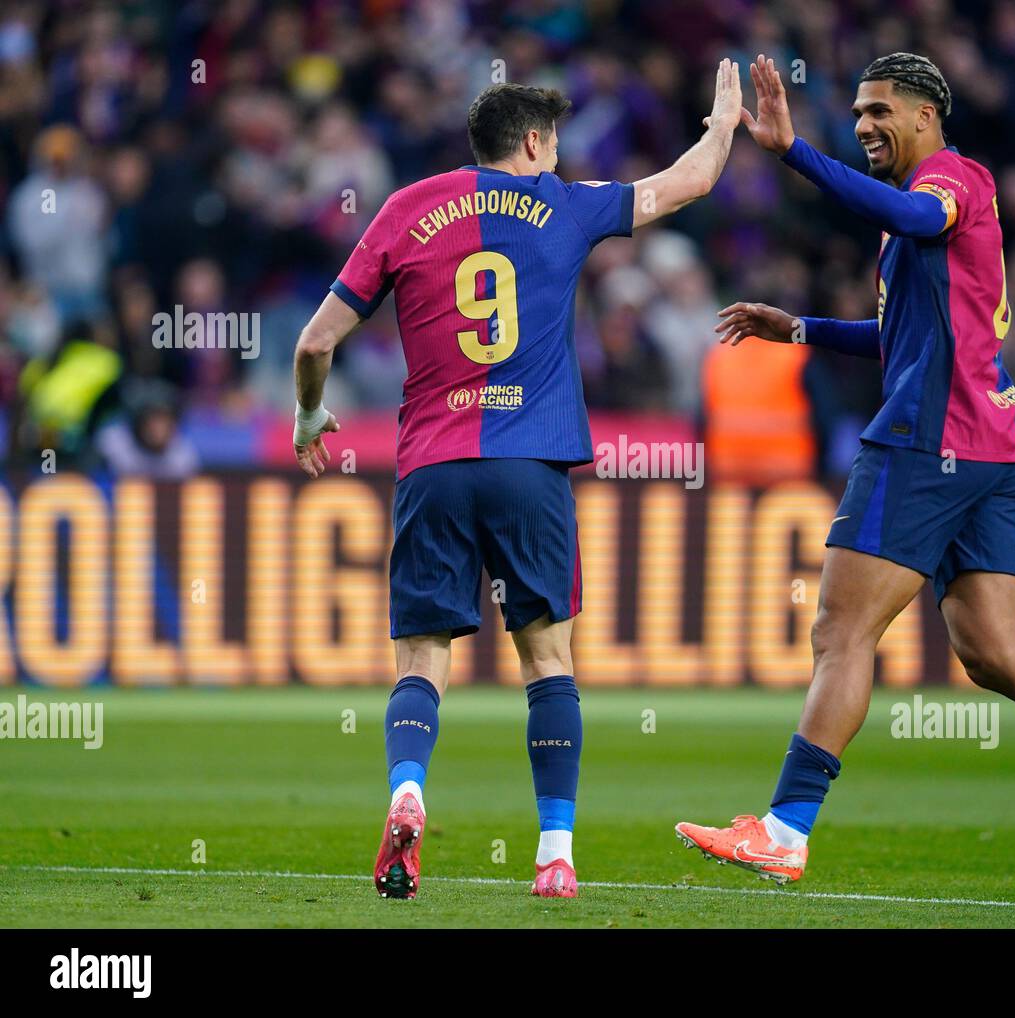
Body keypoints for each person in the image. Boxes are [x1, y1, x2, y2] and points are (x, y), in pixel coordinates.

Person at [675, 53, 1015, 894]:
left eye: (881, 111)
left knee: (842, 631)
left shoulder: (954, 182)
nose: (867, 124)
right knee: (994, 649)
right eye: (859, 112)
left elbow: (912, 219)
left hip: (926, 443)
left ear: (925, 116)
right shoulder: (923, 217)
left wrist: (797, 154)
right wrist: (798, 328)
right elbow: (906, 339)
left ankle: (785, 829)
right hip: (990, 450)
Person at [291, 60, 744, 900]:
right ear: (534, 142)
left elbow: (316, 342)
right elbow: (688, 182)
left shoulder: (404, 208)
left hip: (433, 464)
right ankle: (556, 852)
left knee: (421, 655)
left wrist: (310, 415)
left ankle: (408, 790)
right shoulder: (566, 205)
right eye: (556, 141)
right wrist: (722, 122)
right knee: (547, 659)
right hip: (530, 466)